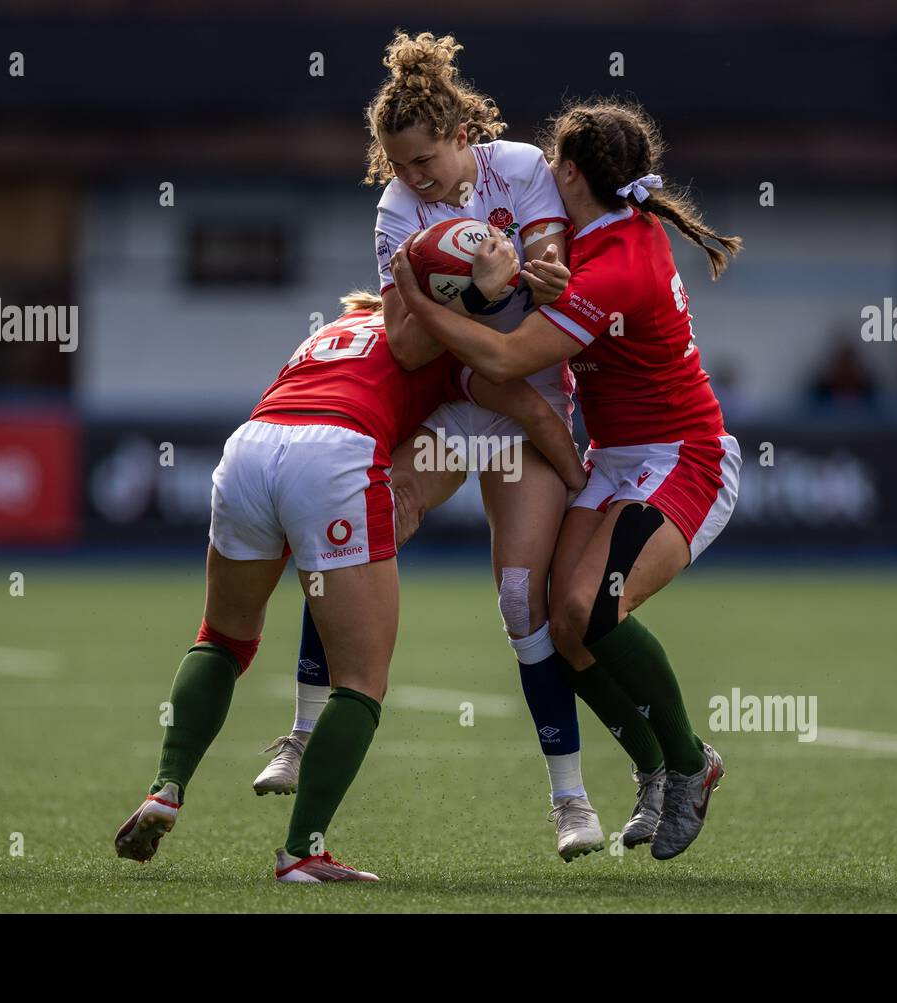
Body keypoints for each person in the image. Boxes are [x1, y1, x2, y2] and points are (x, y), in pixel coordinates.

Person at [255, 31, 657, 860]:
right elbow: (406, 349)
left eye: (427, 159)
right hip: (460, 394)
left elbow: (549, 281)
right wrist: (476, 292)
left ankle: (571, 798)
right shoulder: (398, 211)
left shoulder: (522, 168)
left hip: (528, 398)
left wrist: (517, 284)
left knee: (521, 599)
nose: (415, 179)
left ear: (461, 138)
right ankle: (299, 728)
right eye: (400, 165)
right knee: (363, 520)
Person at [114, 292, 585, 882]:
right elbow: (534, 413)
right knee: (362, 681)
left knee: (223, 638)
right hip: (335, 452)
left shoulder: (343, 324)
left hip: (252, 445)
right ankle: (301, 852)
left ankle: (167, 786)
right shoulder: (458, 338)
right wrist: (576, 482)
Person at [391, 98, 743, 859]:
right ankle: (652, 765)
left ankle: (690, 763)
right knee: (560, 626)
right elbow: (544, 282)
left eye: (555, 162)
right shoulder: (589, 239)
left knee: (591, 607)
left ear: (573, 171)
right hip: (616, 456)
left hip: (683, 454)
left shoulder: (616, 261)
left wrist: (420, 299)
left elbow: (509, 359)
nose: (543, 171)